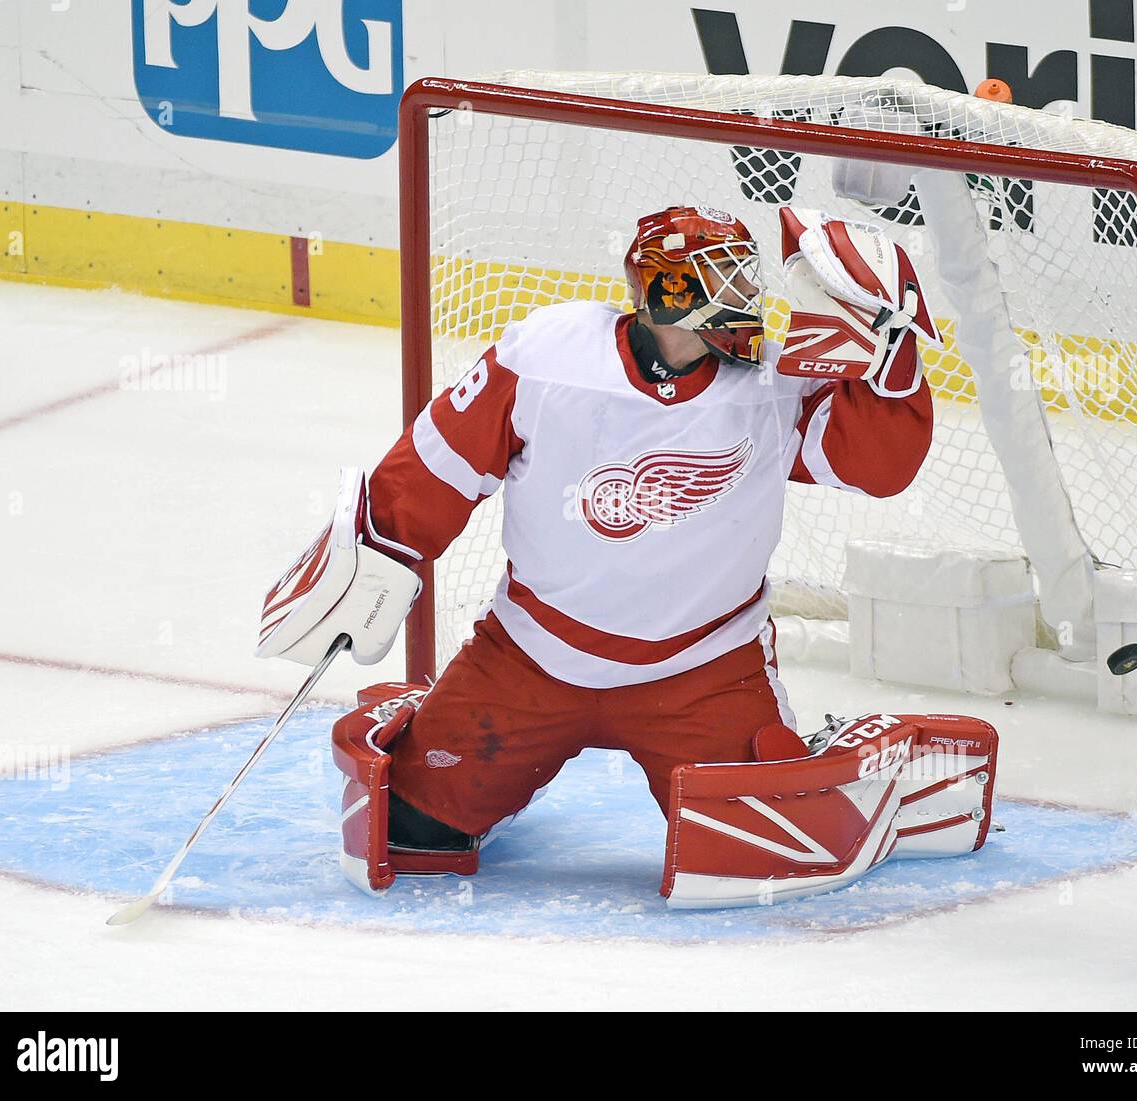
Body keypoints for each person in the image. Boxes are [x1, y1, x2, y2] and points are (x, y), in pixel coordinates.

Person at [259, 204, 942, 886]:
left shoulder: (775, 381)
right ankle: (423, 721)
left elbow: (876, 467)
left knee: (758, 859)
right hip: (529, 658)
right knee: (415, 831)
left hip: (704, 671)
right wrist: (374, 558)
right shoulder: (549, 355)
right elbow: (439, 465)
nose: (746, 296)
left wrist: (892, 362)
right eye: (723, 277)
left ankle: (817, 763)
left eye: (744, 275)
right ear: (668, 290)